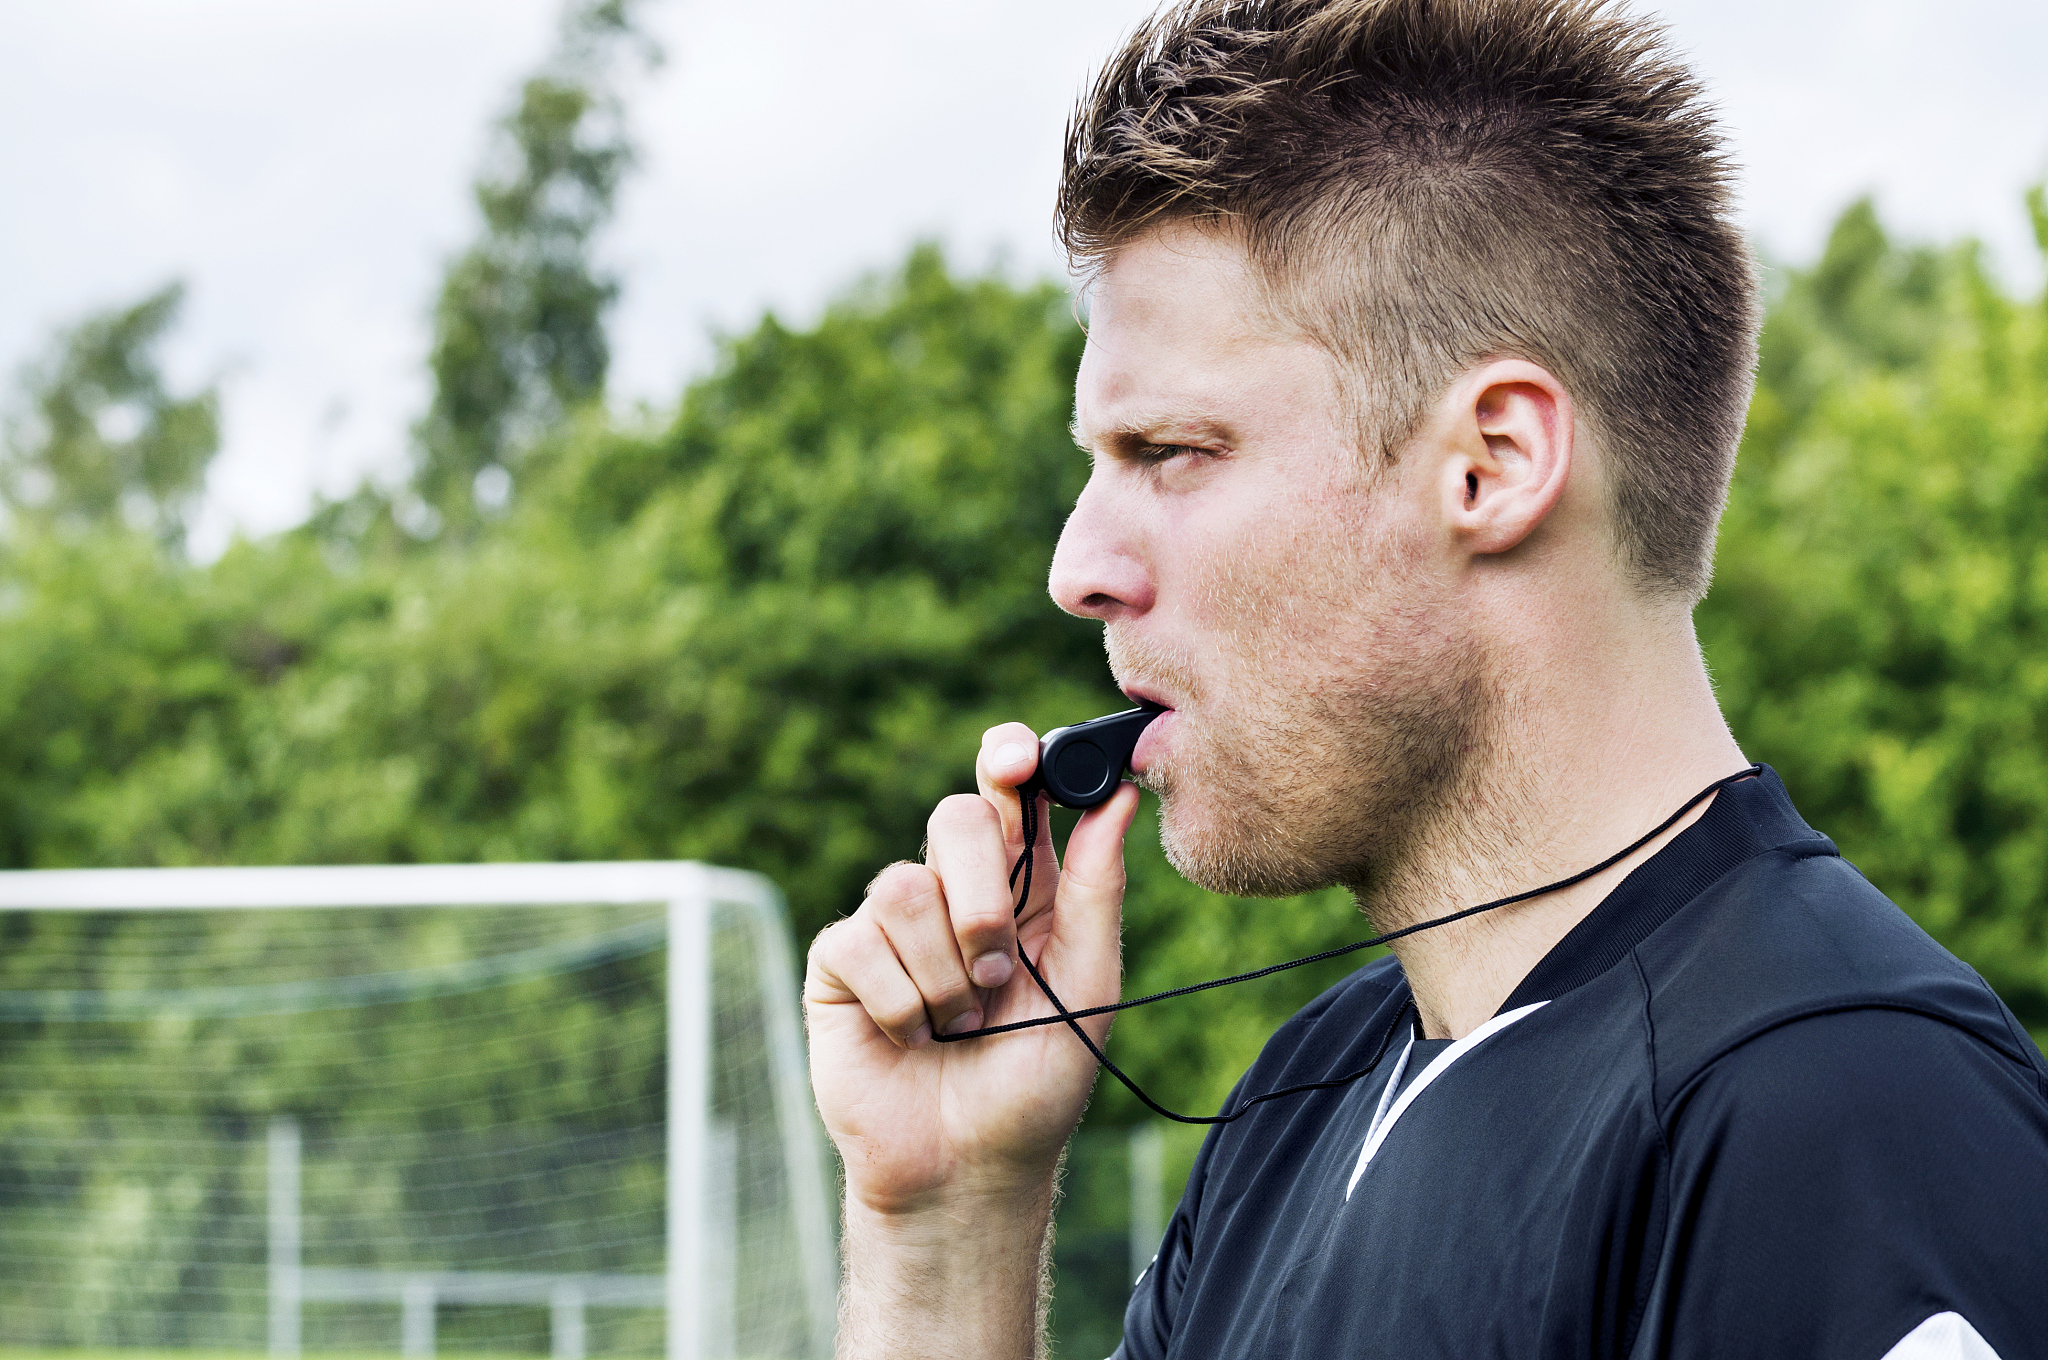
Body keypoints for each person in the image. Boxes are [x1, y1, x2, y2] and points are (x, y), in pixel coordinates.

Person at [802, 0, 2048, 1355]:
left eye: (1169, 452)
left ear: (1493, 464)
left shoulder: (1837, 1108)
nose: (1078, 566)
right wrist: (950, 1220)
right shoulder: (1304, 1099)